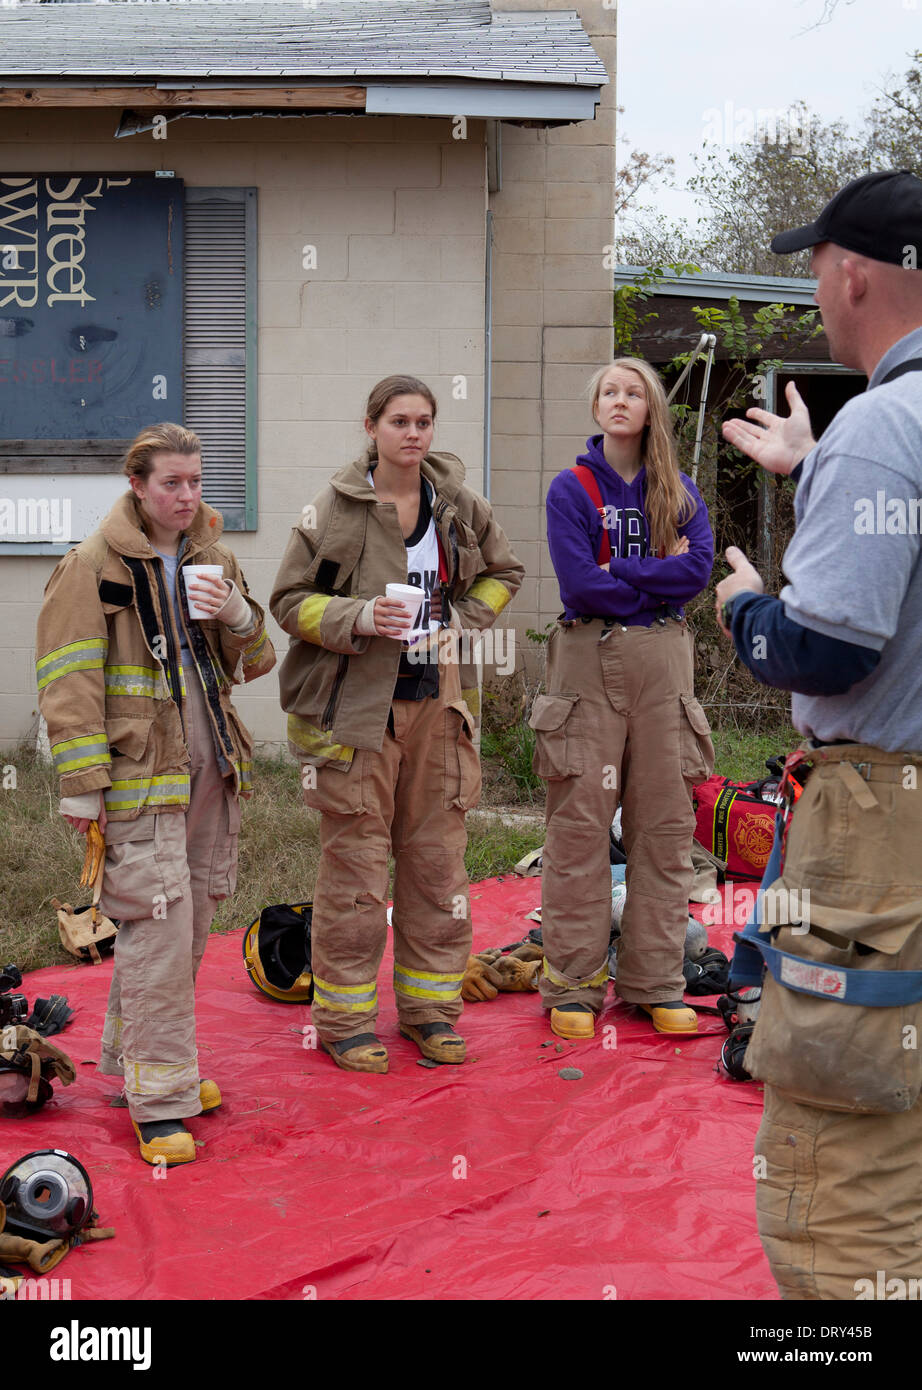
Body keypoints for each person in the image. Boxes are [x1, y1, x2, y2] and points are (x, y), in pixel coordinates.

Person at [715, 169, 922, 1300]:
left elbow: (830, 646)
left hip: (881, 826)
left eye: (814, 269)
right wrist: (817, 475)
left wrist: (745, 611)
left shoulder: (884, 431)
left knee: (839, 1156)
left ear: (849, 274)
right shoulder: (880, 439)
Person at [36, 423, 276, 1167]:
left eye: (196, 481)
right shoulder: (91, 567)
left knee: (189, 919)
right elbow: (67, 683)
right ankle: (161, 1099)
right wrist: (83, 792)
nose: (187, 496)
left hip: (212, 766)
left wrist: (235, 614)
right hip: (137, 781)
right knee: (157, 929)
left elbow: (258, 660)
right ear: (136, 485)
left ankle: (137, 1061)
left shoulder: (213, 556)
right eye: (171, 482)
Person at [270, 375, 523, 1074]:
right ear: (372, 426)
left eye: (424, 422)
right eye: (400, 421)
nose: (413, 434)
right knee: (355, 870)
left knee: (438, 865)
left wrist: (461, 622)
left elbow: (504, 571)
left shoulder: (459, 506)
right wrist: (357, 618)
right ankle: (346, 1022)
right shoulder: (337, 509)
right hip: (359, 713)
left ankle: (430, 1012)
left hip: (439, 707)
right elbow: (287, 600)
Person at [532, 357, 715, 1041]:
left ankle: (654, 982)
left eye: (632, 392)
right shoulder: (571, 489)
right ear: (595, 408)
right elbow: (579, 584)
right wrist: (653, 582)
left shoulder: (679, 490)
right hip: (589, 663)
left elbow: (695, 570)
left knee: (664, 829)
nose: (619, 400)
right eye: (609, 391)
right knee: (579, 831)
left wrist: (628, 570)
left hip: (663, 666)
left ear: (649, 409)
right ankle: (573, 985)